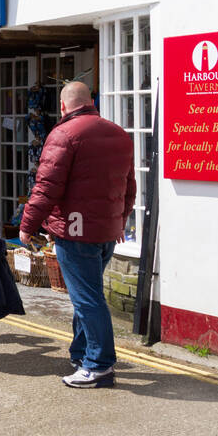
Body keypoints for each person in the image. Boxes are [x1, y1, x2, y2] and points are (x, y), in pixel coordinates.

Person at [20, 81, 136, 388]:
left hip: (75, 229)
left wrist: (28, 225)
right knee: (89, 294)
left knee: (87, 299)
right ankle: (82, 353)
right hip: (106, 230)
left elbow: (46, 187)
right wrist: (120, 220)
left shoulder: (64, 134)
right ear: (91, 102)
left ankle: (99, 365)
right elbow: (129, 186)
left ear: (63, 106)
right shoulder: (118, 133)